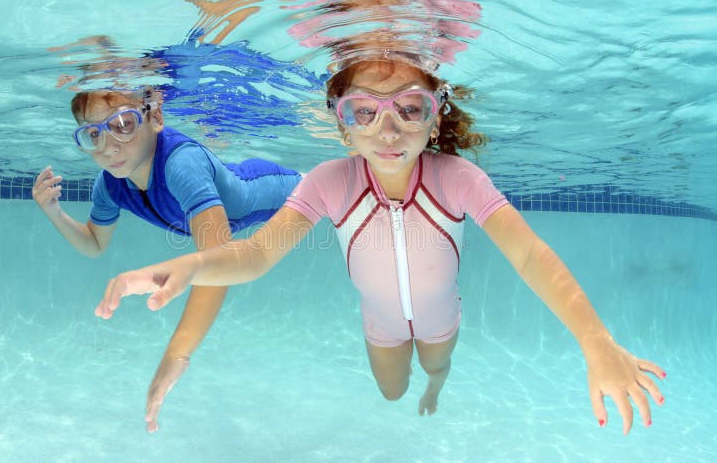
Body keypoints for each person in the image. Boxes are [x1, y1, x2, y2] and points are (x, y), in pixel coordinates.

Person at [95, 54, 665, 434]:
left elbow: (530, 254)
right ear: (342, 126)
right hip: (381, 325)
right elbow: (255, 254)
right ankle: (418, 389)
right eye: (363, 111)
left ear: (434, 118)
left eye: (408, 108)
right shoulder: (329, 182)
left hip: (443, 318)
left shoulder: (458, 179)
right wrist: (193, 265)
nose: (387, 130)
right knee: (392, 391)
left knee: (436, 367)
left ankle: (437, 388)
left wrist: (596, 342)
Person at [32, 87, 301, 432]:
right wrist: (54, 213)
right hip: (236, 205)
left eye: (124, 124)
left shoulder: (180, 164)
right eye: (94, 134)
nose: (108, 146)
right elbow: (95, 243)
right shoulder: (110, 185)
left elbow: (218, 262)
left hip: (279, 189)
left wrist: (177, 354)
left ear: (155, 118)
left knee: (340, 200)